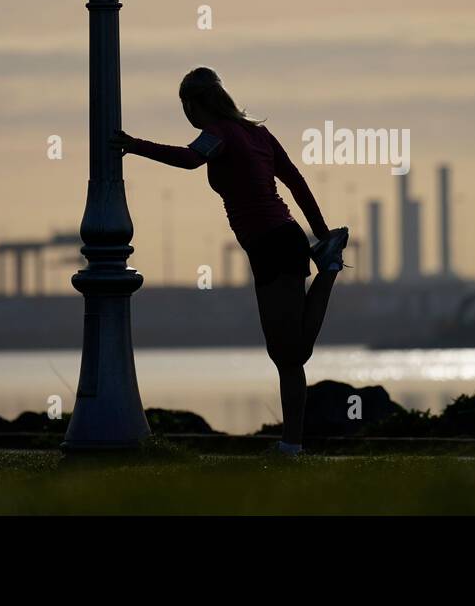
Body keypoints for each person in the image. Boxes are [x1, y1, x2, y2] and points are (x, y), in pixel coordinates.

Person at [110, 66, 347, 456]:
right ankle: (328, 263)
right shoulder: (259, 133)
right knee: (292, 353)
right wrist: (319, 232)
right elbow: (296, 182)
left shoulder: (217, 134)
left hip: (270, 245)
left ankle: (291, 444)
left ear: (193, 104)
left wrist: (135, 145)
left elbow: (189, 160)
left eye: (185, 107)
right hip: (287, 239)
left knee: (288, 355)